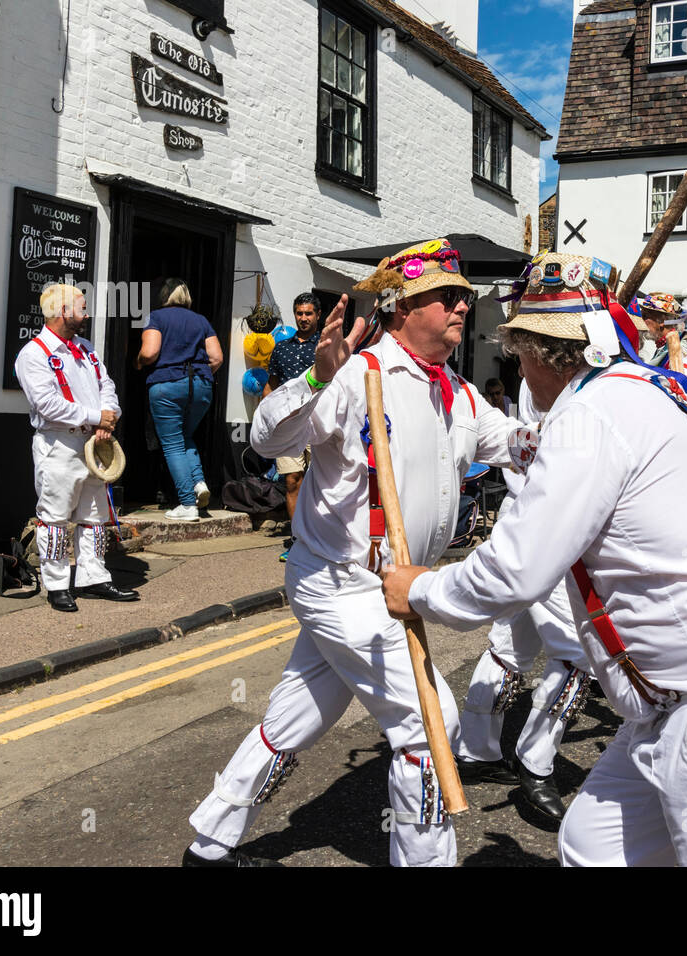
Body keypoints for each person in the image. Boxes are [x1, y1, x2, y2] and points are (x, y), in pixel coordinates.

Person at [382, 252, 687, 867]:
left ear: (538, 353)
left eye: (517, 352)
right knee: (592, 845)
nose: (519, 367)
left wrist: (420, 589)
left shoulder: (588, 416)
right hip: (682, 705)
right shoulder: (649, 389)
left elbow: (513, 572)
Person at [183, 238, 520, 867]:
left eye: (464, 298)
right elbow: (267, 437)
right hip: (340, 582)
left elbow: (520, 445)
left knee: (296, 720)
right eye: (446, 297)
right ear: (400, 308)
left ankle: (209, 842)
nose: (461, 307)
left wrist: (591, 431)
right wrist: (318, 373)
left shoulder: (459, 392)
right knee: (430, 723)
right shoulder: (357, 375)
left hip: (392, 591)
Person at [456, 377, 592, 823]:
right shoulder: (563, 379)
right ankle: (536, 763)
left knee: (511, 647)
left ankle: (476, 749)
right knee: (577, 657)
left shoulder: (569, 375)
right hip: (545, 529)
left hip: (530, 525)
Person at [15, 283, 139, 612]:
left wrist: (107, 419)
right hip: (59, 443)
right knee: (54, 517)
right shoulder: (34, 354)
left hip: (95, 441)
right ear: (64, 312)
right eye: (82, 308)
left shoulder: (84, 348)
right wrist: (97, 416)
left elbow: (106, 385)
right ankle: (56, 585)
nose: (86, 314)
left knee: (95, 515)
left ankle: (93, 577)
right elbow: (47, 405)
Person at [135, 278, 223, 522]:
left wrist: (139, 361)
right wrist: (199, 376)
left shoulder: (157, 317)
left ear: (164, 295)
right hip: (201, 387)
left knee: (172, 443)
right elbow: (216, 358)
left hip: (167, 384)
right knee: (185, 437)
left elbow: (150, 352)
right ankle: (198, 483)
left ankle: (186, 503)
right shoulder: (201, 320)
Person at [263, 293, 324, 560]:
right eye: (299, 313)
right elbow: (271, 384)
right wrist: (267, 414)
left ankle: (321, 539)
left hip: (320, 420)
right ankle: (298, 540)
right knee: (292, 481)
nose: (303, 318)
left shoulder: (327, 345)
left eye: (308, 313)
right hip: (288, 424)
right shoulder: (282, 348)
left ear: (318, 315)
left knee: (322, 482)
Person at [636, 292, 682, 366]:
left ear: (662, 321)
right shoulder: (664, 346)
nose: (641, 320)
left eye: (645, 316)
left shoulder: (678, 347)